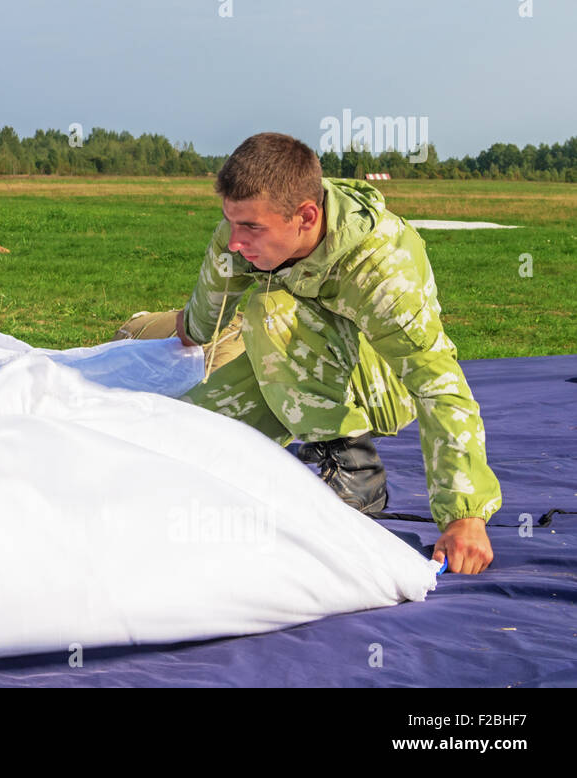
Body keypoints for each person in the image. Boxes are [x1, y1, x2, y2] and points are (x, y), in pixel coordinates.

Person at [117, 132, 501, 574]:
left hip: (381, 386)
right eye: (231, 222)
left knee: (269, 311)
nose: (236, 240)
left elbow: (438, 384)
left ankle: (355, 469)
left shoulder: (381, 269)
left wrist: (464, 515)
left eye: (252, 228)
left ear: (306, 216)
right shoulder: (241, 235)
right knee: (191, 443)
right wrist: (150, 337)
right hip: (295, 362)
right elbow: (203, 320)